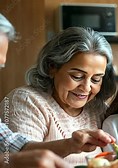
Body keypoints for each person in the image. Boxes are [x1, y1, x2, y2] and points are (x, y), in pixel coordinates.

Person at [0, 25, 117, 166]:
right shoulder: (26, 100)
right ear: (52, 67)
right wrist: (69, 145)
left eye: (96, 79)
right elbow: (21, 158)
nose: (86, 88)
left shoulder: (99, 109)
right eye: (77, 76)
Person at [0, 13, 72, 168]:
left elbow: (9, 143)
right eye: (77, 76)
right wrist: (11, 162)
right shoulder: (24, 99)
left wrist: (71, 144)